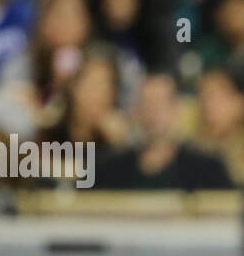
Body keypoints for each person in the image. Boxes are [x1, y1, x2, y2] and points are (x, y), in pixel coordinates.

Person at [97, 72, 234, 191]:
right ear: (135, 110)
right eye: (146, 103)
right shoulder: (110, 168)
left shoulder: (207, 169)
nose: (153, 113)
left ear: (175, 109)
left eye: (160, 103)